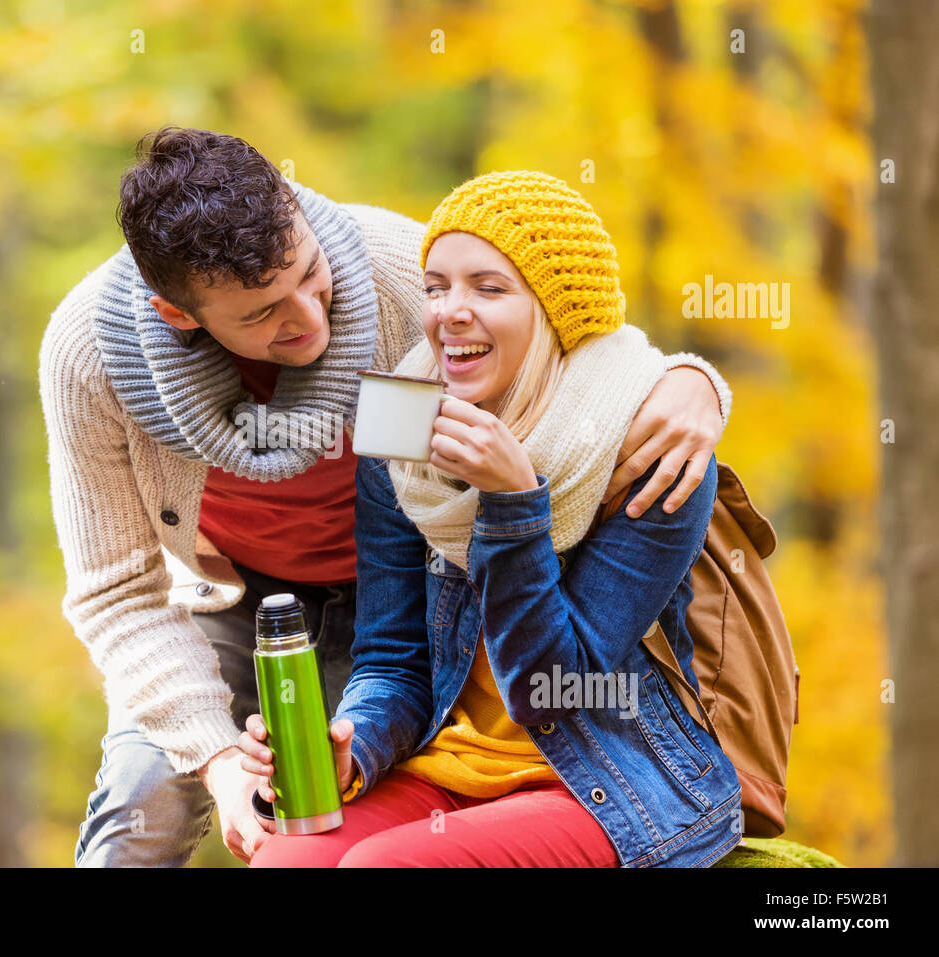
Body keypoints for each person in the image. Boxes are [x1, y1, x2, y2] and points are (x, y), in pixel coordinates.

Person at [40, 129, 735, 867]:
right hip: (250, 602)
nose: (310, 317)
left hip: (594, 769)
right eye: (261, 312)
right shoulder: (95, 355)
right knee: (146, 808)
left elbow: (590, 333)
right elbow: (121, 593)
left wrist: (696, 383)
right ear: (180, 314)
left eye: (311, 273)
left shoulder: (401, 274)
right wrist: (256, 758)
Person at [241, 171, 743, 867]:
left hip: (604, 780)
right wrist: (353, 742)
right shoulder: (400, 421)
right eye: (437, 286)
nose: (451, 311)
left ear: (556, 311)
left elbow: (554, 693)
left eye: (489, 287)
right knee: (285, 859)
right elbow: (393, 660)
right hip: (449, 767)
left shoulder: (646, 446)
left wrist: (512, 505)